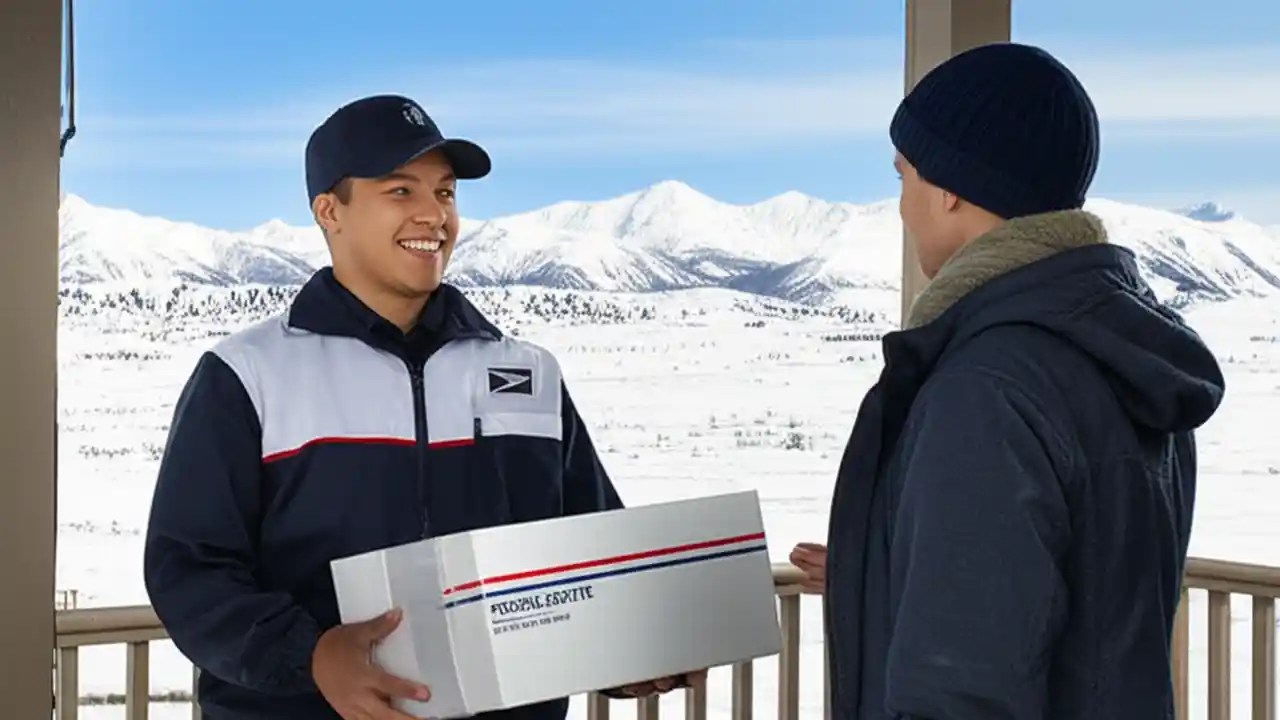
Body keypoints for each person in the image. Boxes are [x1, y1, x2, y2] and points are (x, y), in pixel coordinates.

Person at [143, 94, 699, 720]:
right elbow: (189, 571)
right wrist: (312, 656)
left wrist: (629, 653)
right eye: (401, 191)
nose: (433, 215)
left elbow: (588, 554)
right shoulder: (247, 375)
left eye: (445, 192)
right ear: (331, 211)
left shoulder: (528, 371)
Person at [794, 43, 1226, 718]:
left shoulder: (988, 387)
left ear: (950, 189)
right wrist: (877, 568)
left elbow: (962, 687)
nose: (902, 206)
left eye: (903, 176)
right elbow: (1078, 588)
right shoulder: (1119, 353)